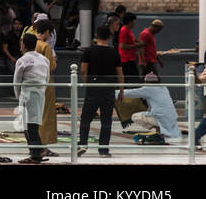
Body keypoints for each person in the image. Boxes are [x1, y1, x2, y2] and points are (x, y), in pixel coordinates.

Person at [77, 24, 124, 158]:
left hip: (93, 87)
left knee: (86, 118)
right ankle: (103, 150)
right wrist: (121, 90)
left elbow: (83, 70)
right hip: (108, 89)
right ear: (110, 36)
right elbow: (120, 73)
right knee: (106, 120)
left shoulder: (89, 51)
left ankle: (83, 144)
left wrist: (88, 83)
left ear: (96, 36)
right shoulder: (114, 52)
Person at [13, 32, 50, 163]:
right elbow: (47, 79)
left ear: (23, 44)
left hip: (27, 94)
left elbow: (16, 81)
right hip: (40, 94)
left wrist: (19, 98)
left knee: (30, 126)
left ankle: (36, 153)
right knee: (31, 124)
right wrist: (41, 91)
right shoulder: (44, 59)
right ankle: (36, 151)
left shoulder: (22, 60)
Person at [120, 73, 182, 144]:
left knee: (135, 117)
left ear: (146, 82)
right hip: (172, 118)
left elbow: (131, 93)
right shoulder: (164, 87)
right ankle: (160, 131)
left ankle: (159, 131)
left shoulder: (149, 88)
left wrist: (114, 92)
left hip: (161, 118)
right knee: (150, 114)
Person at [32, 18, 60, 154]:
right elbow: (50, 66)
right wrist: (54, 60)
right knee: (46, 115)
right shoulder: (45, 46)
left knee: (34, 115)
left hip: (32, 82)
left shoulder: (31, 43)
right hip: (45, 83)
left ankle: (35, 145)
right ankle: (43, 146)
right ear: (47, 31)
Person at [117, 12, 142, 77]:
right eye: (134, 21)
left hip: (130, 59)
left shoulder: (128, 30)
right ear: (130, 22)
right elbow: (122, 46)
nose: (135, 23)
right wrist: (137, 45)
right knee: (134, 80)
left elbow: (132, 40)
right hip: (126, 61)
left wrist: (139, 42)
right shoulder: (124, 31)